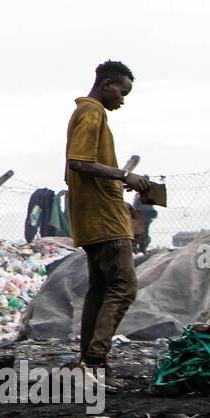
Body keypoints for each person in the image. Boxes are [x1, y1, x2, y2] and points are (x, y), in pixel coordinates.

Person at [64, 60, 150, 375]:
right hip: (104, 220)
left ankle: (87, 360)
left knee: (100, 289)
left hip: (92, 216)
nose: (122, 100)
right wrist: (124, 175)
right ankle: (96, 360)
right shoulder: (91, 113)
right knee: (124, 287)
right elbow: (78, 162)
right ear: (107, 86)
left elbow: (74, 168)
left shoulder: (85, 114)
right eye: (122, 92)